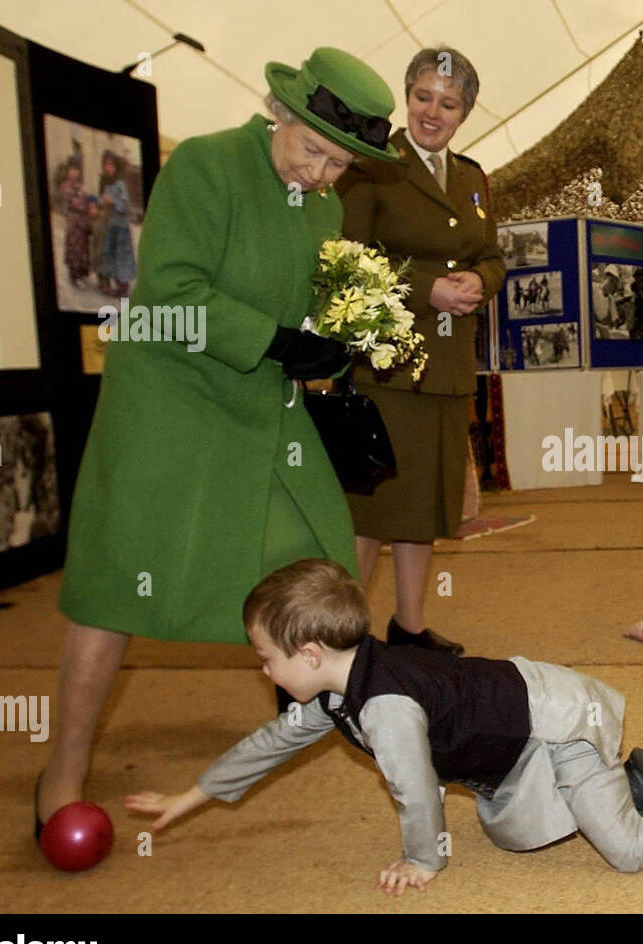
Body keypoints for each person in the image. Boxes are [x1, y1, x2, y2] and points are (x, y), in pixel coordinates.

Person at [37, 48, 397, 835]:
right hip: (169, 403)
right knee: (113, 585)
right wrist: (275, 341)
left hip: (259, 410)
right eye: (313, 151)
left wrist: (336, 338)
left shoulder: (327, 208)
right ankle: (61, 770)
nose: (322, 175)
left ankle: (334, 715)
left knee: (319, 556)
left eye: (340, 164)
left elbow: (307, 303)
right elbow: (170, 290)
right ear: (280, 112)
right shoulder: (207, 165)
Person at [125, 558, 643, 891]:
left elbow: (416, 795)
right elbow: (272, 742)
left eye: (266, 659)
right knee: (512, 834)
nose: (263, 672)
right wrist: (190, 796)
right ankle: (636, 782)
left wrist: (424, 859)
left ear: (312, 653)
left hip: (561, 725)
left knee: (628, 853)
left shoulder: (386, 709)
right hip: (521, 741)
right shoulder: (343, 684)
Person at [337, 46, 505, 656]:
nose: (433, 112)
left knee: (424, 507)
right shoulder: (371, 167)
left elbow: (491, 255)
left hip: (449, 363)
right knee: (373, 508)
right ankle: (344, 635)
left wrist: (480, 283)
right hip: (389, 363)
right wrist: (424, 286)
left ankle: (407, 627)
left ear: (465, 112)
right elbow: (347, 257)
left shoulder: (472, 178)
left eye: (449, 103)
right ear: (406, 96)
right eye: (423, 97)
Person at [96, 151, 136, 297]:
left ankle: (123, 289)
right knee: (111, 255)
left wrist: (112, 201)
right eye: (105, 164)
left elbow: (125, 206)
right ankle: (114, 285)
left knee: (122, 257)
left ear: (116, 166)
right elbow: (102, 201)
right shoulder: (105, 181)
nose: (108, 167)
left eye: (111, 164)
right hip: (111, 226)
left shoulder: (120, 183)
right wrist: (100, 202)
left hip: (121, 228)